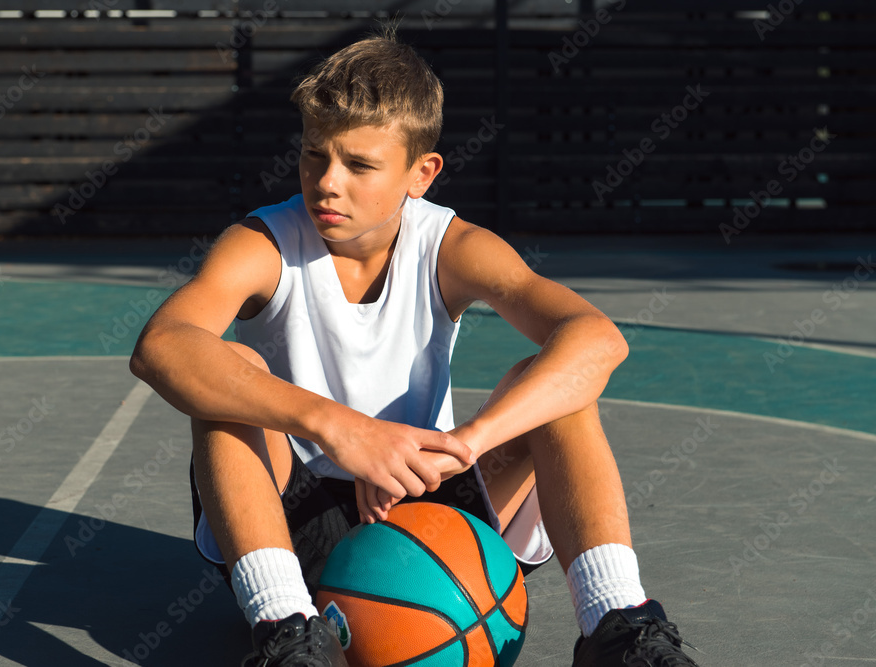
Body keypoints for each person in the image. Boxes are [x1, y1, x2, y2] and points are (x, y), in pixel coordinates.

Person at [129, 27, 698, 667]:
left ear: (420, 174)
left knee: (555, 383)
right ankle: (286, 628)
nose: (327, 182)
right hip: (293, 517)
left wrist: (465, 446)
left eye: (359, 165)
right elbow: (161, 346)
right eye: (314, 155)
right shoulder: (265, 243)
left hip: (428, 503)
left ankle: (616, 625)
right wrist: (344, 430)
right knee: (228, 367)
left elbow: (597, 339)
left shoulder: (448, 246)